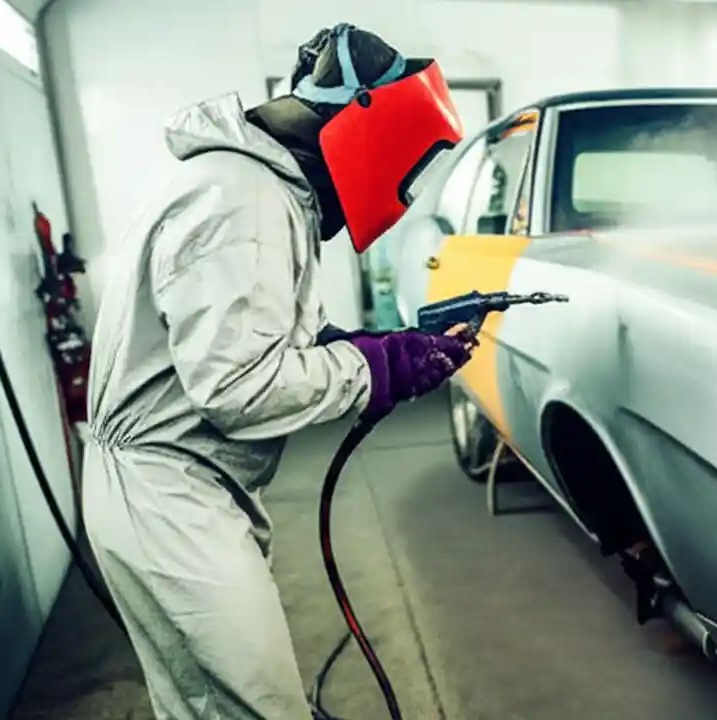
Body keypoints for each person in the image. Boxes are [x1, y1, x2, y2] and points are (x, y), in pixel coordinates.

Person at [82, 24, 467, 719]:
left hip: (180, 486)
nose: (402, 185)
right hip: (169, 498)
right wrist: (375, 368)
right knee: (258, 708)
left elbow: (258, 338)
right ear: (363, 129)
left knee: (211, 706)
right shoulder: (242, 201)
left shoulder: (252, 187)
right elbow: (238, 387)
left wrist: (373, 350)